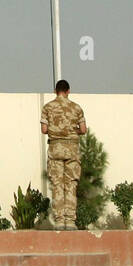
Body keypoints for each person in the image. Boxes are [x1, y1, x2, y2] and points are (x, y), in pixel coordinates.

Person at [41, 79, 87, 230]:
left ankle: (60, 220)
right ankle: (71, 220)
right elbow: (83, 129)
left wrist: (56, 130)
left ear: (55, 91)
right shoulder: (76, 108)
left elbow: (44, 129)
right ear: (68, 91)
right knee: (71, 184)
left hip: (55, 148)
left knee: (57, 184)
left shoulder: (47, 107)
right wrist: (73, 131)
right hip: (72, 149)